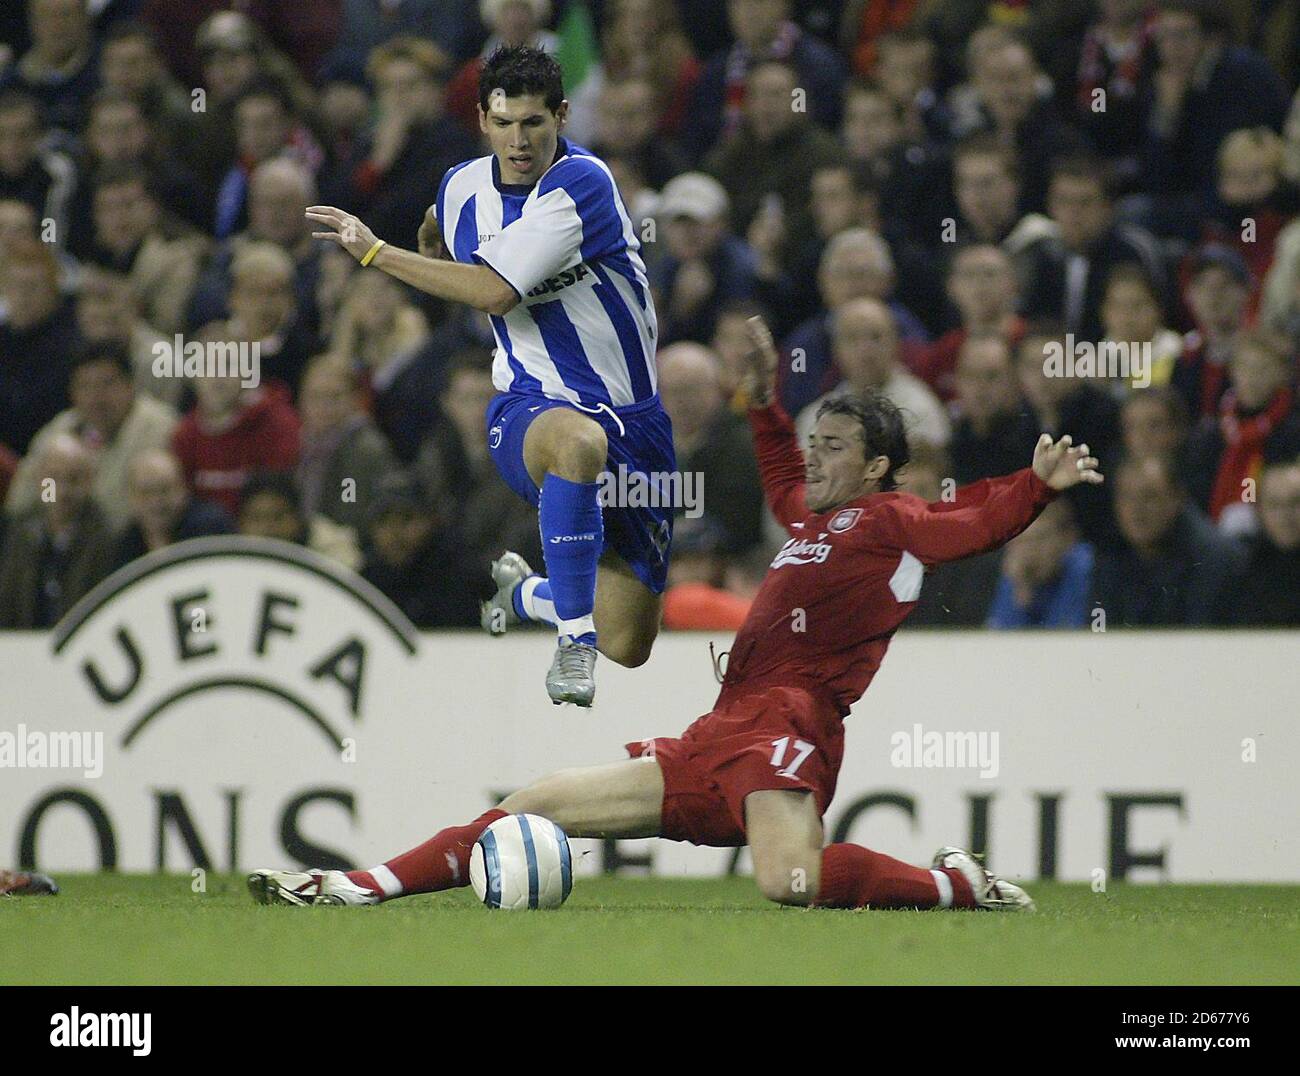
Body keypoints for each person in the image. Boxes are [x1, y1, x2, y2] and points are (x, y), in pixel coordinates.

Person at [248, 314, 1103, 913]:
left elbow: (969, 527)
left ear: (880, 464)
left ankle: (959, 886)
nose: (815, 453)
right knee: (533, 801)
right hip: (722, 730)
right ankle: (355, 887)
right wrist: (764, 403)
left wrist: (1035, 486)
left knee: (789, 882)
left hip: (787, 727)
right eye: (816, 439)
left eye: (834, 445)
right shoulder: (820, 521)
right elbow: (778, 478)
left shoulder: (893, 518)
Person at [306, 46, 669, 708]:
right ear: (482, 119)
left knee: (632, 641)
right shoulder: (460, 184)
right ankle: (571, 642)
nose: (519, 141)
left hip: (638, 425)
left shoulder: (582, 185)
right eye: (504, 124)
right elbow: (441, 223)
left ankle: (527, 593)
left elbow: (495, 290)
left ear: (562, 116)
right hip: (529, 408)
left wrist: (376, 253)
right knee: (578, 445)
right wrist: (423, 236)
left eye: (534, 123)